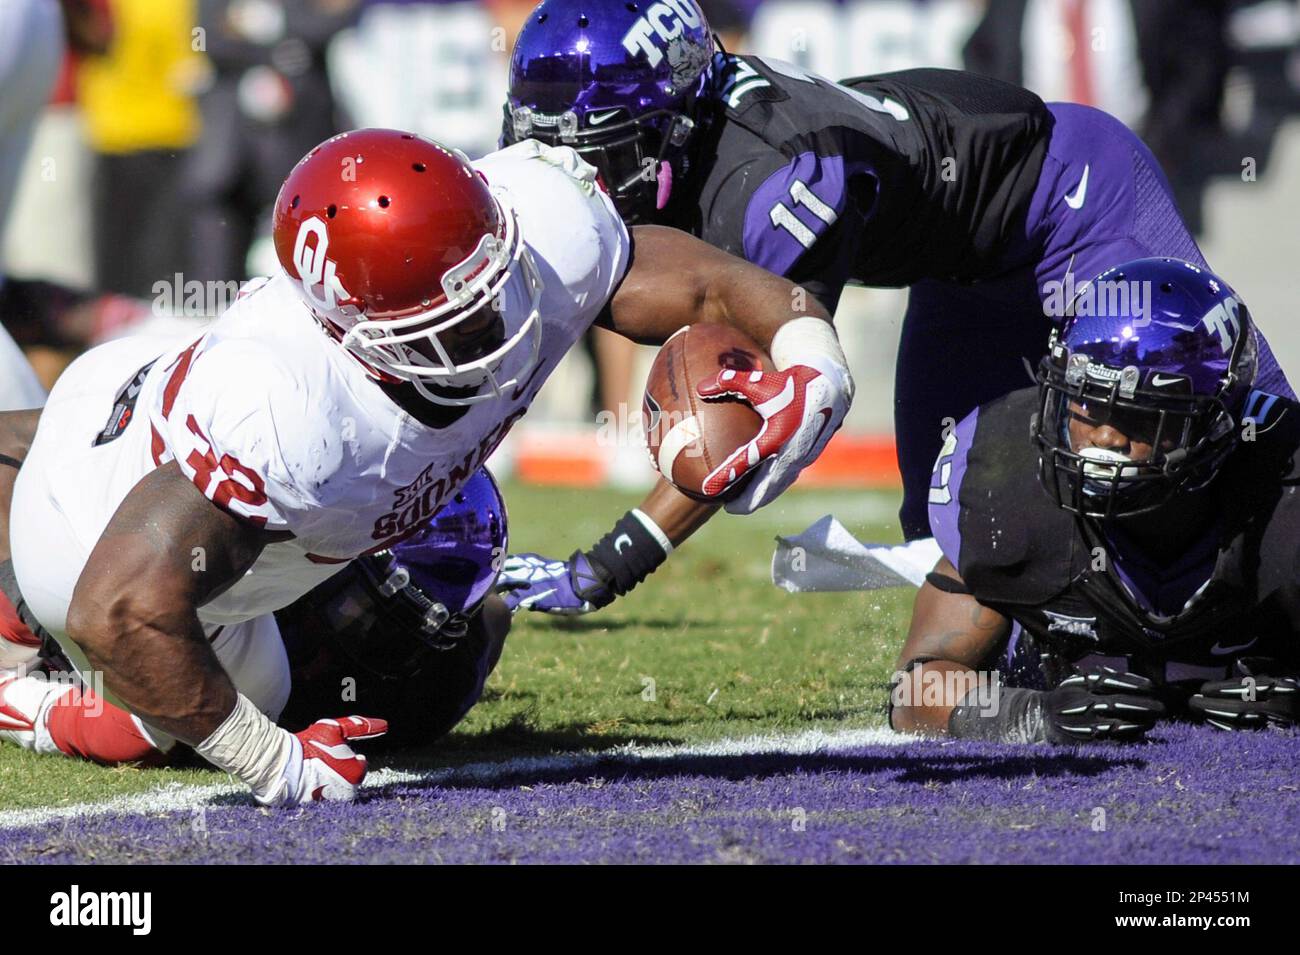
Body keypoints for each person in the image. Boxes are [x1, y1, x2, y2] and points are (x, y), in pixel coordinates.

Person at [0, 128, 853, 806]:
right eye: (455, 320)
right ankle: (28, 691)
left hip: (136, 384)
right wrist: (275, 763)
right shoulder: (288, 412)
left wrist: (810, 349)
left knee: (460, 590)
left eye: (494, 282)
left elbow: (703, 286)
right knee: (186, 708)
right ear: (350, 331)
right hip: (86, 539)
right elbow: (118, 610)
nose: (500, 326)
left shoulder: (533, 232)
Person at [494, 0, 1295, 617]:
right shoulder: (711, 134)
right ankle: (1051, 665)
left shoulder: (776, 178)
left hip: (1075, 198)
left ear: (675, 122)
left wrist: (608, 563)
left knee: (1222, 429)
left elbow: (749, 426)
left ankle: (1246, 629)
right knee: (951, 522)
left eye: (599, 148)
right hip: (957, 265)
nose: (576, 175)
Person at [891, 258, 1300, 743]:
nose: (1103, 437)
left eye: (1140, 415)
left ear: (1214, 426)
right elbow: (914, 686)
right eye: (1085, 403)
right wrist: (1030, 715)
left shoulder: (1284, 504)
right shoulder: (1006, 484)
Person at [0, 467, 510, 763]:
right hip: (89, 524)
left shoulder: (435, 685)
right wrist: (32, 705)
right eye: (360, 612)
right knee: (159, 719)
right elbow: (150, 718)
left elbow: (492, 615)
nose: (365, 641)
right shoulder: (244, 515)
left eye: (397, 636)